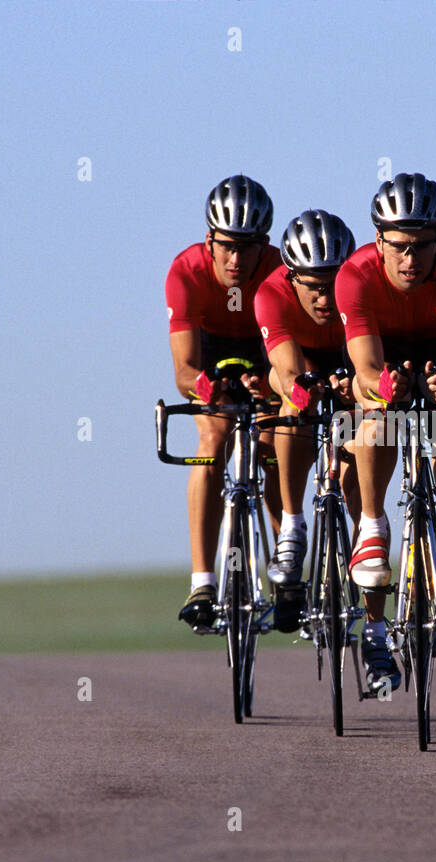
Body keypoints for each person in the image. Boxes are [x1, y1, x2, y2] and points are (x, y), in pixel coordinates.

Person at [336, 173, 436, 714]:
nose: (410, 258)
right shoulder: (354, 277)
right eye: (399, 245)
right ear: (378, 241)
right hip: (384, 367)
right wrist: (382, 387)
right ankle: (373, 528)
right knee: (373, 418)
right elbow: (360, 373)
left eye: (422, 245)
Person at [166, 175, 282, 631]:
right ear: (209, 240)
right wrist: (207, 389)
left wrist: (270, 385)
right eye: (227, 246)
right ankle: (202, 582)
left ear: (264, 245)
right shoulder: (186, 272)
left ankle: (284, 569)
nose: (236, 259)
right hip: (211, 355)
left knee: (273, 446)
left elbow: (289, 357)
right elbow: (183, 371)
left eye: (247, 247)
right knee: (212, 439)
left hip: (267, 345)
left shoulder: (277, 269)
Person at [253, 210, 360, 602]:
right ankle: (293, 525)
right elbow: (286, 368)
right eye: (313, 287)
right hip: (300, 363)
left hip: (351, 358)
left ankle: (364, 539)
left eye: (333, 285)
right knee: (290, 401)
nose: (324, 297)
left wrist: (358, 386)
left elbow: (369, 363)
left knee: (362, 435)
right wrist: (304, 393)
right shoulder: (271, 293)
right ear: (291, 277)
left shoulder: (363, 286)